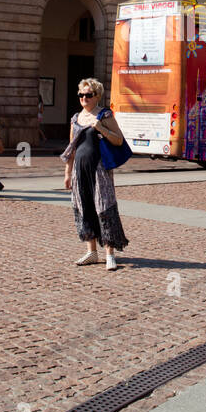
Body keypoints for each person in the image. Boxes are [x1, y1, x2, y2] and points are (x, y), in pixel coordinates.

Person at [61, 77, 129, 270]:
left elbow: (118, 140)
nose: (84, 98)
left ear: (97, 96)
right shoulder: (76, 118)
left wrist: (101, 129)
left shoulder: (104, 115)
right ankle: (91, 251)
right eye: (81, 94)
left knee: (104, 208)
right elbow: (71, 148)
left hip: (99, 169)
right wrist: (68, 172)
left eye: (88, 94)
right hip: (79, 170)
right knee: (83, 208)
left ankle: (110, 254)